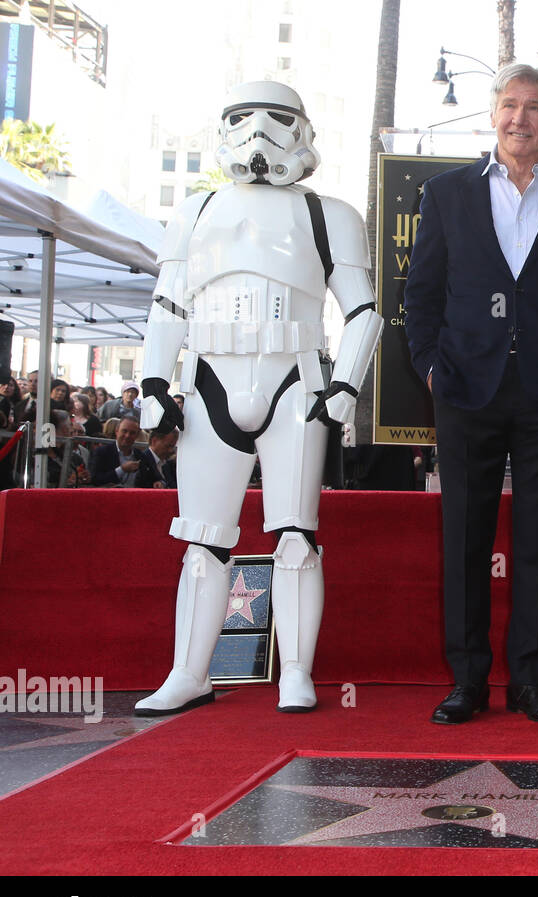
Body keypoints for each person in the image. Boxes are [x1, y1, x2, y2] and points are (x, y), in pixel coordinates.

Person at [133, 80, 382, 716]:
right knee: (202, 538)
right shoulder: (194, 210)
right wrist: (155, 384)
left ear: (301, 129)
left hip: (294, 380)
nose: (257, 132)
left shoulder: (330, 215)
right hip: (210, 377)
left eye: (274, 119)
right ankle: (190, 670)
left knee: (296, 534)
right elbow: (166, 305)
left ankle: (296, 670)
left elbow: (362, 312)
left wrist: (345, 388)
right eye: (242, 118)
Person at [404, 63, 538, 726]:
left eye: (533, 107)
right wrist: (432, 367)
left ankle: (529, 682)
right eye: (510, 105)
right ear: (493, 114)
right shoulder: (446, 193)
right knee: (463, 537)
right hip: (466, 389)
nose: (520, 118)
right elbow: (422, 293)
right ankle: (467, 681)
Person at [90, 413, 143, 486]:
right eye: (124, 431)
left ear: (137, 435)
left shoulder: (140, 456)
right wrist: (121, 470)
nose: (127, 436)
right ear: (117, 431)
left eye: (132, 433)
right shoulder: (102, 452)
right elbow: (95, 479)